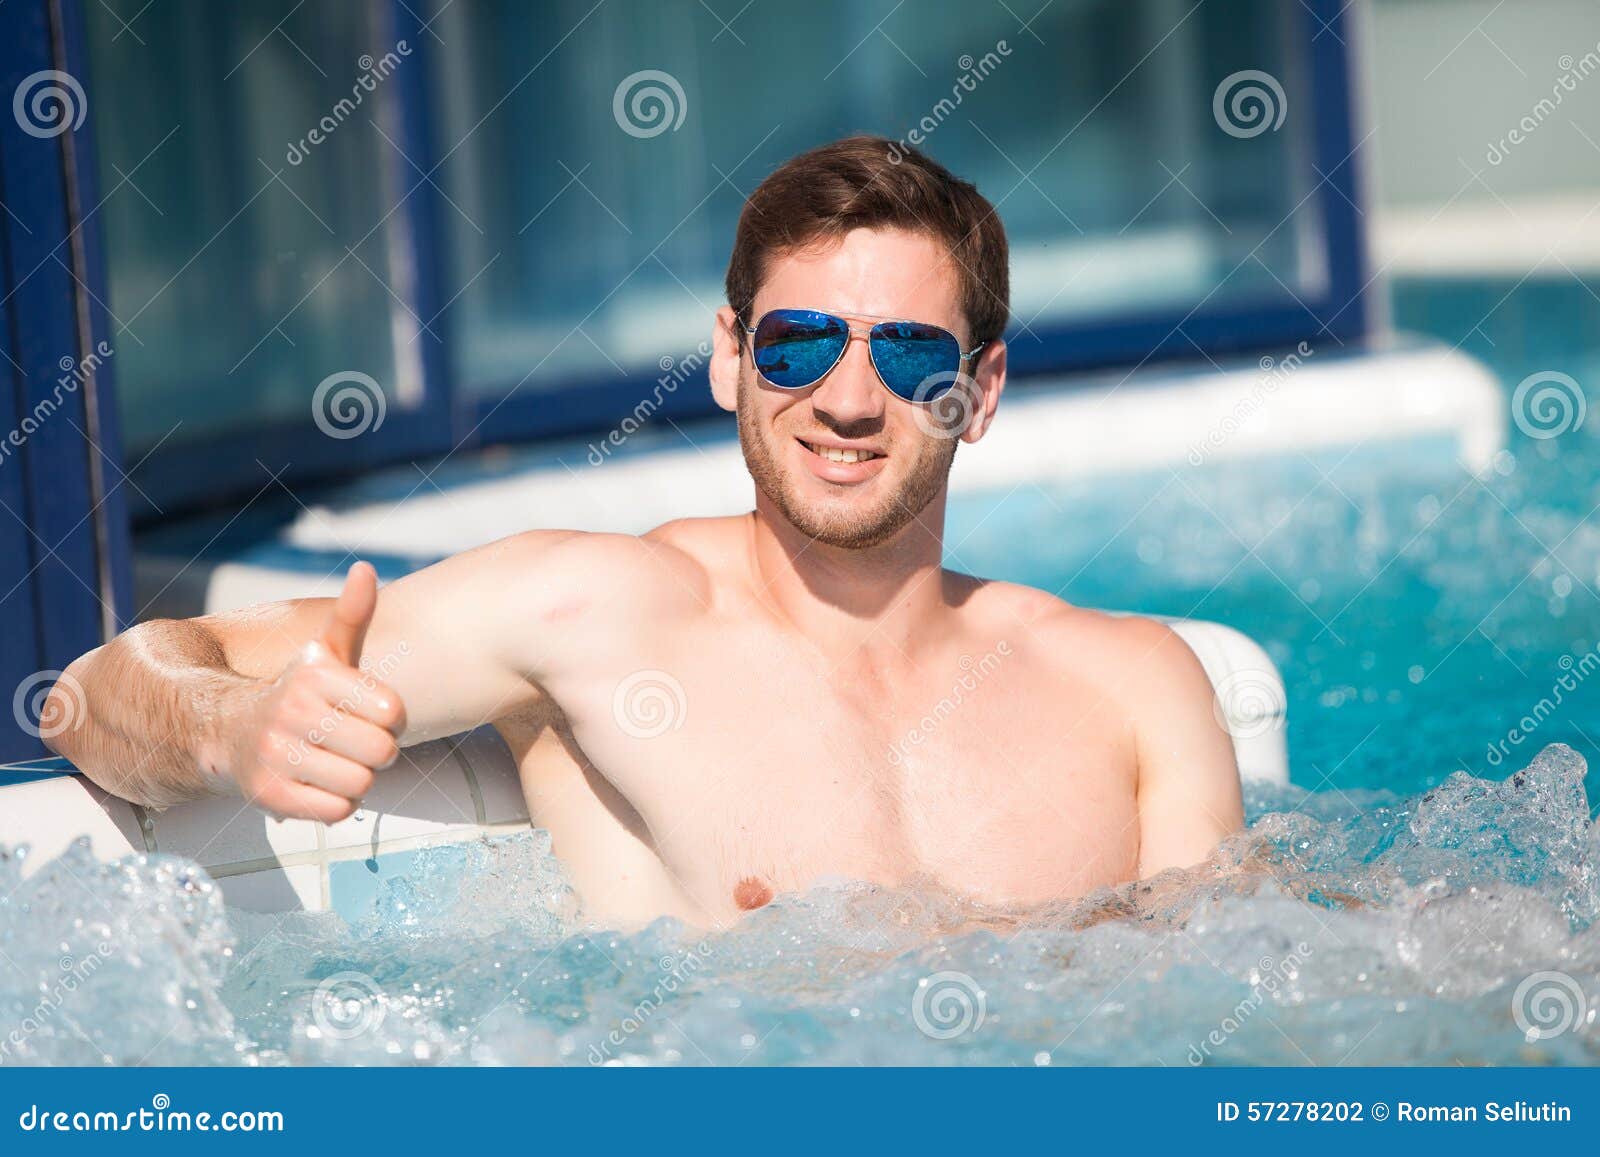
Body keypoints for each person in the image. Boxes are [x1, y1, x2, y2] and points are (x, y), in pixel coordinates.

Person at [48, 136, 1243, 928]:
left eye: (912, 352)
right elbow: (90, 695)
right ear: (730, 357)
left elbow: (1234, 1021)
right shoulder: (593, 610)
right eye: (796, 342)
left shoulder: (1132, 688)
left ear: (976, 392)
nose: (844, 397)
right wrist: (229, 726)